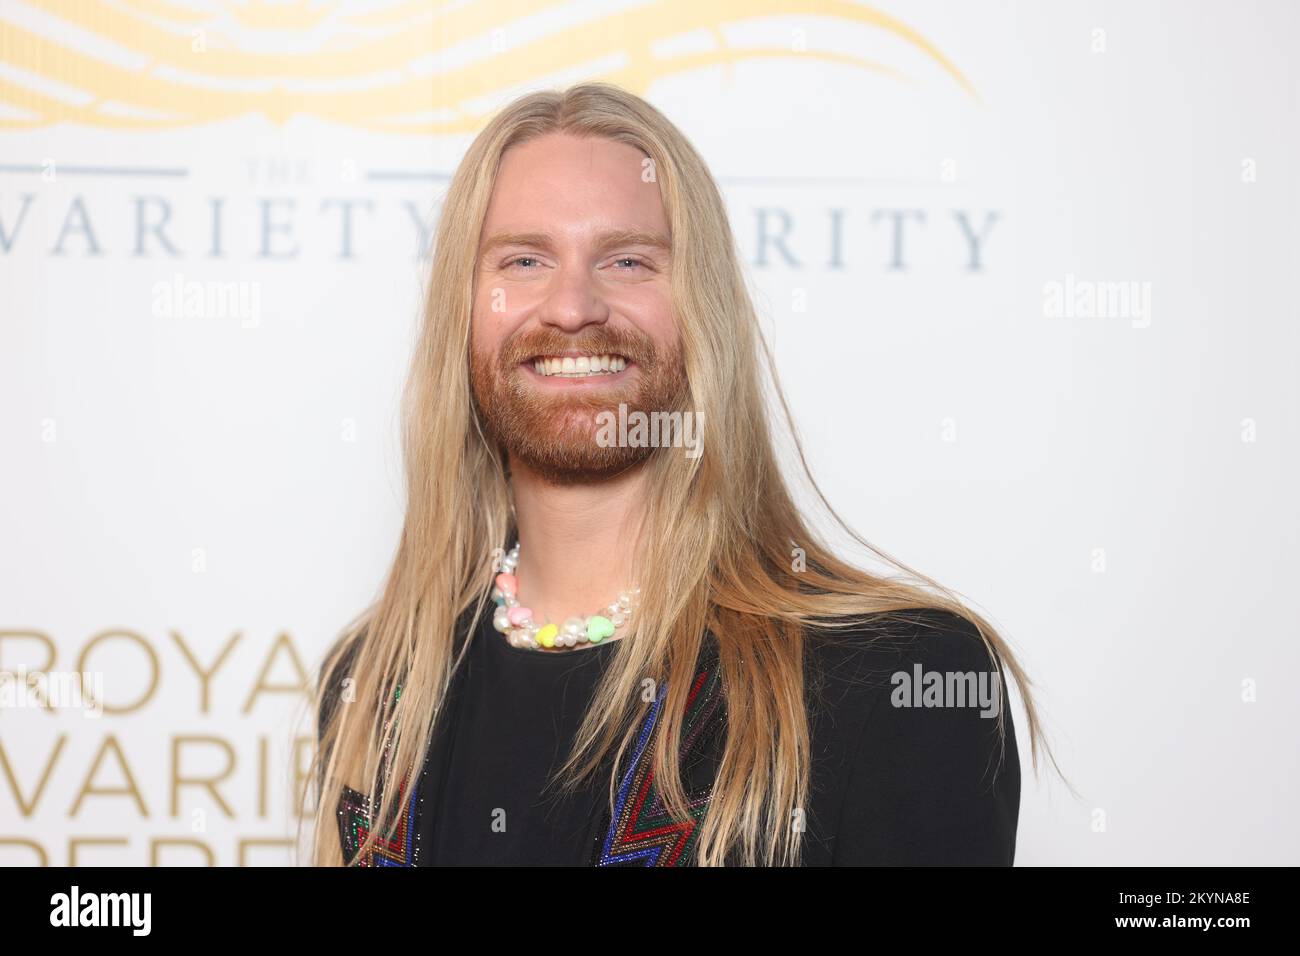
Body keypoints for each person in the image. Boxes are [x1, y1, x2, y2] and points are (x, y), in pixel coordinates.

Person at [308, 81, 1051, 867]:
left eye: (627, 260)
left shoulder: (899, 676)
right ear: (461, 311)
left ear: (703, 309)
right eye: (524, 260)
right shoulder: (373, 691)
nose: (571, 307)